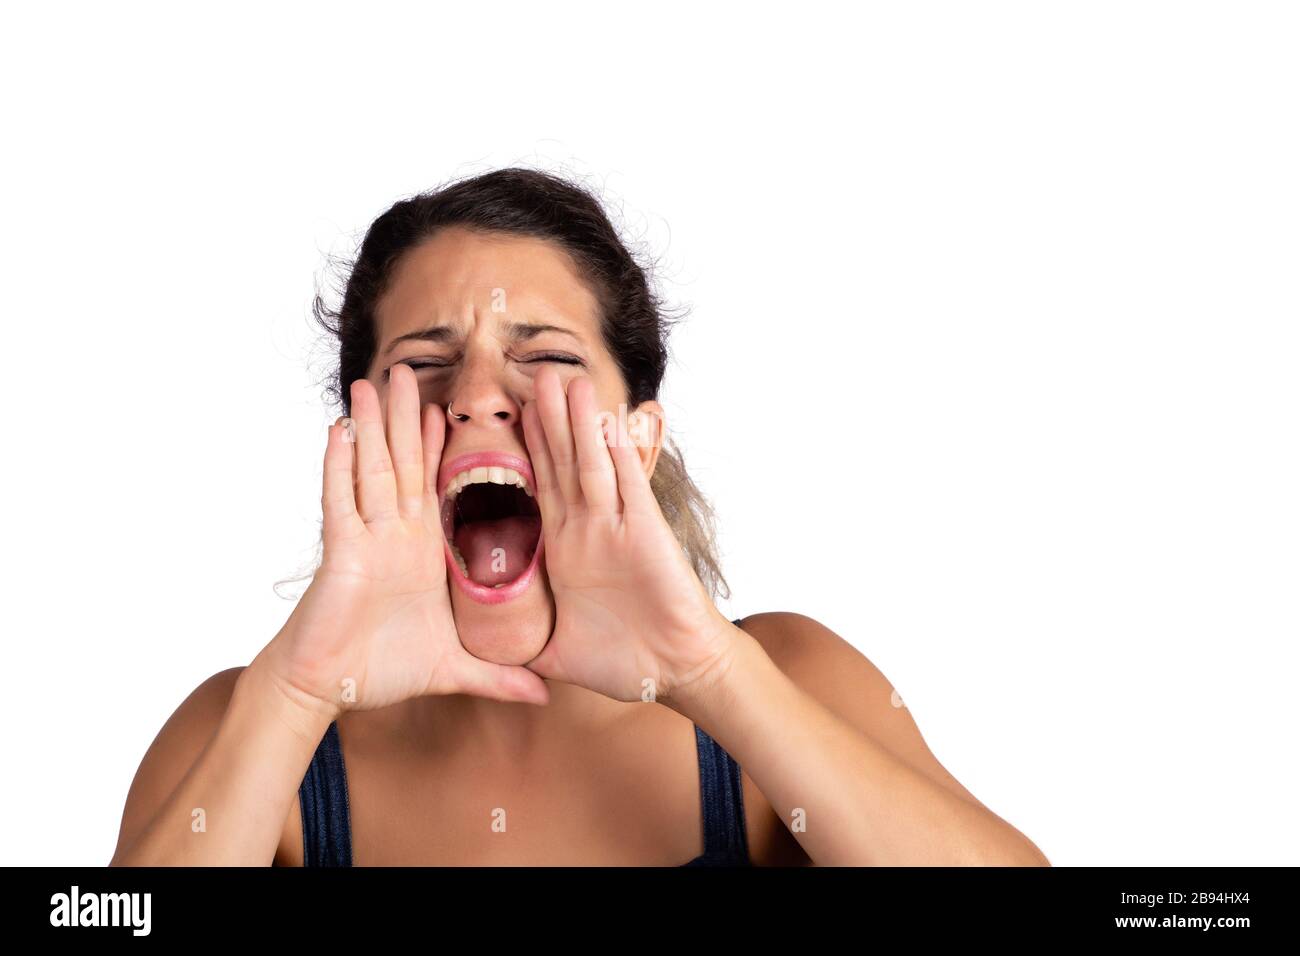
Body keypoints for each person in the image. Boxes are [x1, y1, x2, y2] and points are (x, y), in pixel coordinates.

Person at [109, 168, 1050, 866]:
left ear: (637, 441)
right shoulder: (244, 729)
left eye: (546, 358)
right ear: (359, 439)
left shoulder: (792, 676)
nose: (479, 395)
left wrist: (710, 674)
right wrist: (296, 697)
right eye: (425, 364)